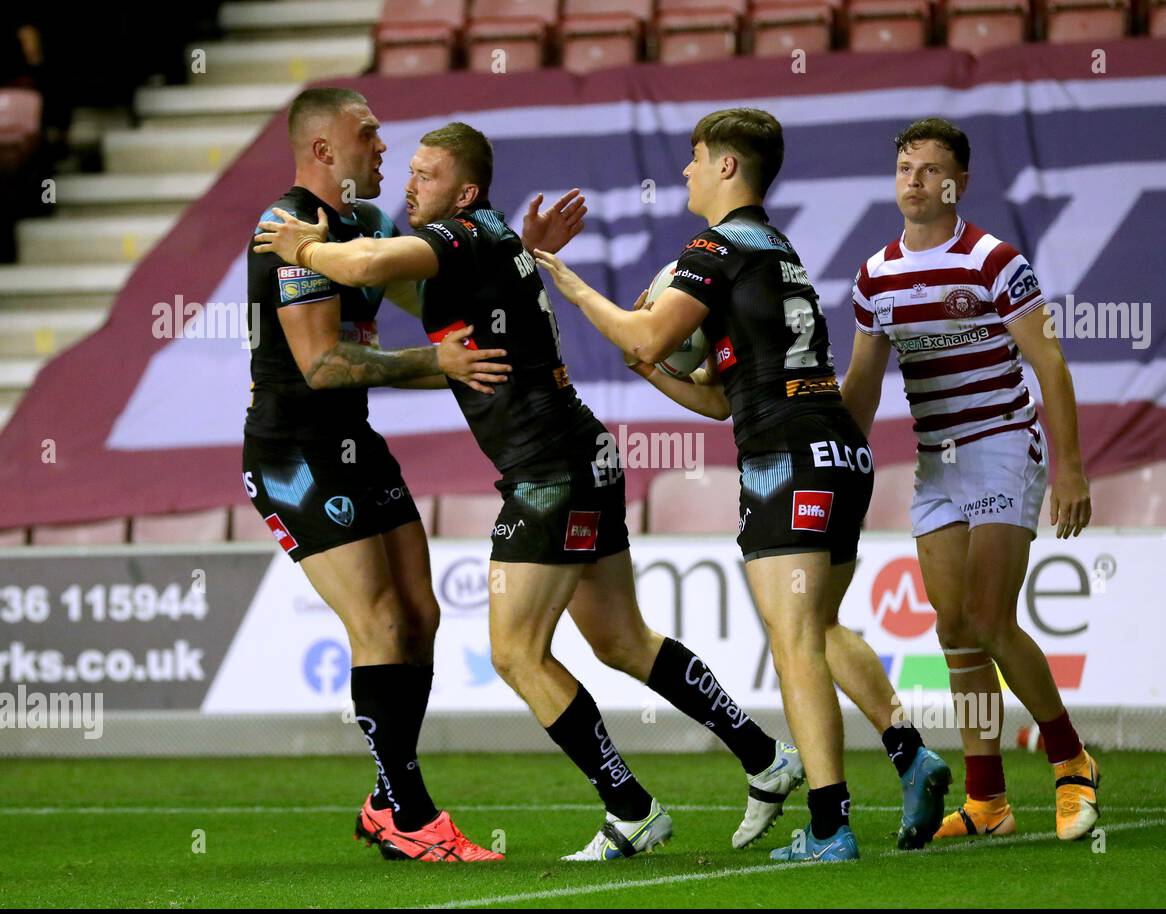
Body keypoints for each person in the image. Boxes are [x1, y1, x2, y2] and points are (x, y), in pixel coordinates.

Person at [255, 121, 804, 862]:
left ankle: (630, 807)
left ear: (466, 190)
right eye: (407, 170)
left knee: (516, 652)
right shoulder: (487, 239)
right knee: (621, 639)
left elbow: (369, 263)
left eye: (426, 172)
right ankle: (765, 757)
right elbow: (414, 293)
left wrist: (305, 250)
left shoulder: (457, 236)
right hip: (584, 454)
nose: (409, 182)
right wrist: (508, 255)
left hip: (549, 472)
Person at [534, 107, 952, 862]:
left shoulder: (714, 247)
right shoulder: (776, 249)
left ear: (727, 167)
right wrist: (651, 366)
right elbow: (719, 396)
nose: (687, 171)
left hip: (785, 459)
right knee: (818, 631)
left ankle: (829, 827)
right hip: (838, 453)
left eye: (695, 158)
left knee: (793, 645)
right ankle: (910, 754)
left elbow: (646, 333)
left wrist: (574, 289)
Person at [244, 87, 522, 863]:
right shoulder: (283, 228)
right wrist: (438, 362)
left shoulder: (365, 226)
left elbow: (428, 302)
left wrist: (519, 274)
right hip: (291, 453)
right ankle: (408, 809)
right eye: (368, 136)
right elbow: (324, 362)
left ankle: (386, 796)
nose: (383, 148)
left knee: (423, 616)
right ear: (325, 150)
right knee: (380, 623)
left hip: (352, 441)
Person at [841, 117, 1099, 842]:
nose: (914, 181)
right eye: (904, 168)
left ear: (958, 182)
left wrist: (1071, 467)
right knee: (954, 629)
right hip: (935, 460)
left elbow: (1049, 362)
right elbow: (861, 388)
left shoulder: (995, 260)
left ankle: (1072, 760)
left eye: (929, 169)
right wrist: (831, 461)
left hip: (1002, 446)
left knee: (988, 617)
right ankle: (987, 800)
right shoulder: (875, 276)